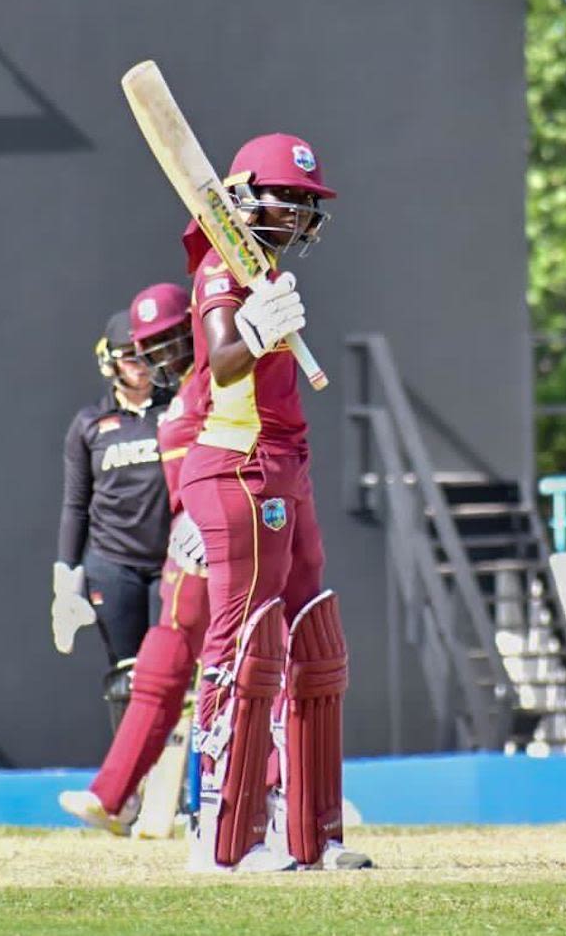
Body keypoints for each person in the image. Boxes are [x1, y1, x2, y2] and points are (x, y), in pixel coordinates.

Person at [180, 133, 370, 872]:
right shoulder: (217, 266)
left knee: (313, 640)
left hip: (287, 463)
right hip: (238, 466)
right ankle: (223, 834)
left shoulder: (262, 269)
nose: (295, 211)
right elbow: (224, 358)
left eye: (305, 201)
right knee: (245, 644)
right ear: (244, 196)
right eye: (284, 195)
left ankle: (313, 831)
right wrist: (258, 330)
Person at [59, 283, 212, 835]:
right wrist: (65, 575)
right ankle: (119, 795)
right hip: (171, 562)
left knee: (243, 676)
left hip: (237, 548)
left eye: (174, 341)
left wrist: (217, 514)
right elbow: (77, 502)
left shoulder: (220, 381)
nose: (161, 360)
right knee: (150, 673)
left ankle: (255, 798)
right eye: (151, 348)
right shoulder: (101, 423)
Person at [51, 311, 172, 699]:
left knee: (174, 670)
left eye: (149, 355)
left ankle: (186, 761)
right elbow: (76, 504)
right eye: (130, 357)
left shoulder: (180, 409)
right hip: (114, 564)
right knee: (128, 678)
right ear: (110, 360)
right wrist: (66, 580)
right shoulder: (90, 423)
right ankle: (137, 760)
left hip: (172, 562)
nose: (141, 367)